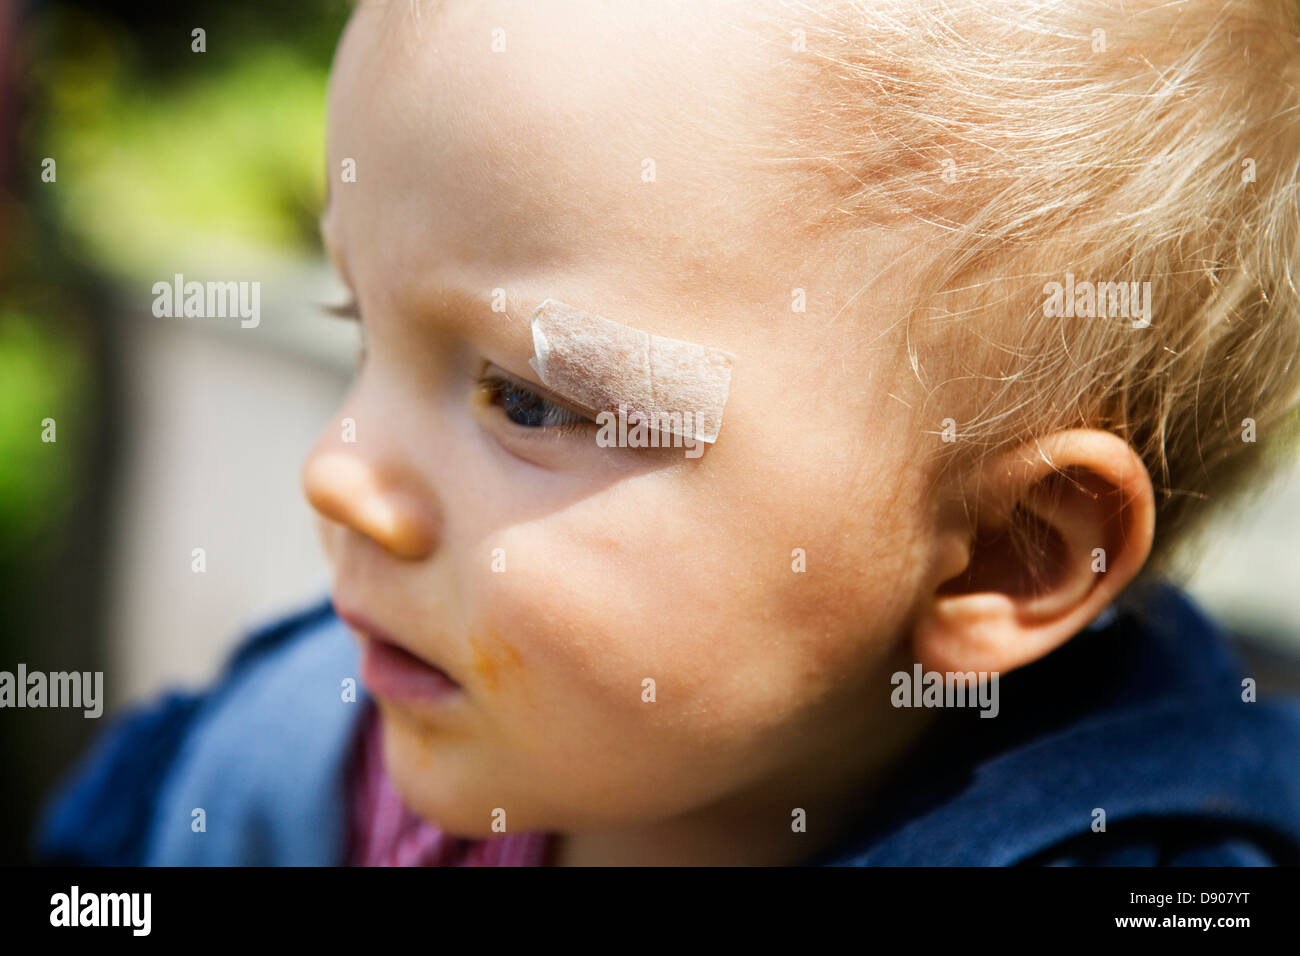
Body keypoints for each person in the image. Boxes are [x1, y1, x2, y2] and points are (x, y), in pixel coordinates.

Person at [34, 0, 1300, 865]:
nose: (338, 473)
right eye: (356, 319)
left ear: (999, 555)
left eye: (531, 401)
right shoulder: (272, 774)